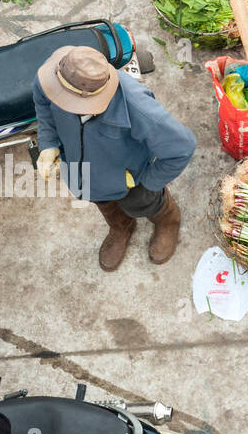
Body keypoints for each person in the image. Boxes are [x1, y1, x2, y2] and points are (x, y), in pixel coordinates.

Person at [33, 45, 196, 271]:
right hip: (84, 175)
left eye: (66, 101)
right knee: (102, 201)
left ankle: (168, 219)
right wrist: (48, 144)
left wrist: (148, 182)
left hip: (132, 180)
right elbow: (43, 105)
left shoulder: (138, 108)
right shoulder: (56, 77)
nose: (57, 98)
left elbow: (182, 147)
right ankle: (121, 227)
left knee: (143, 203)